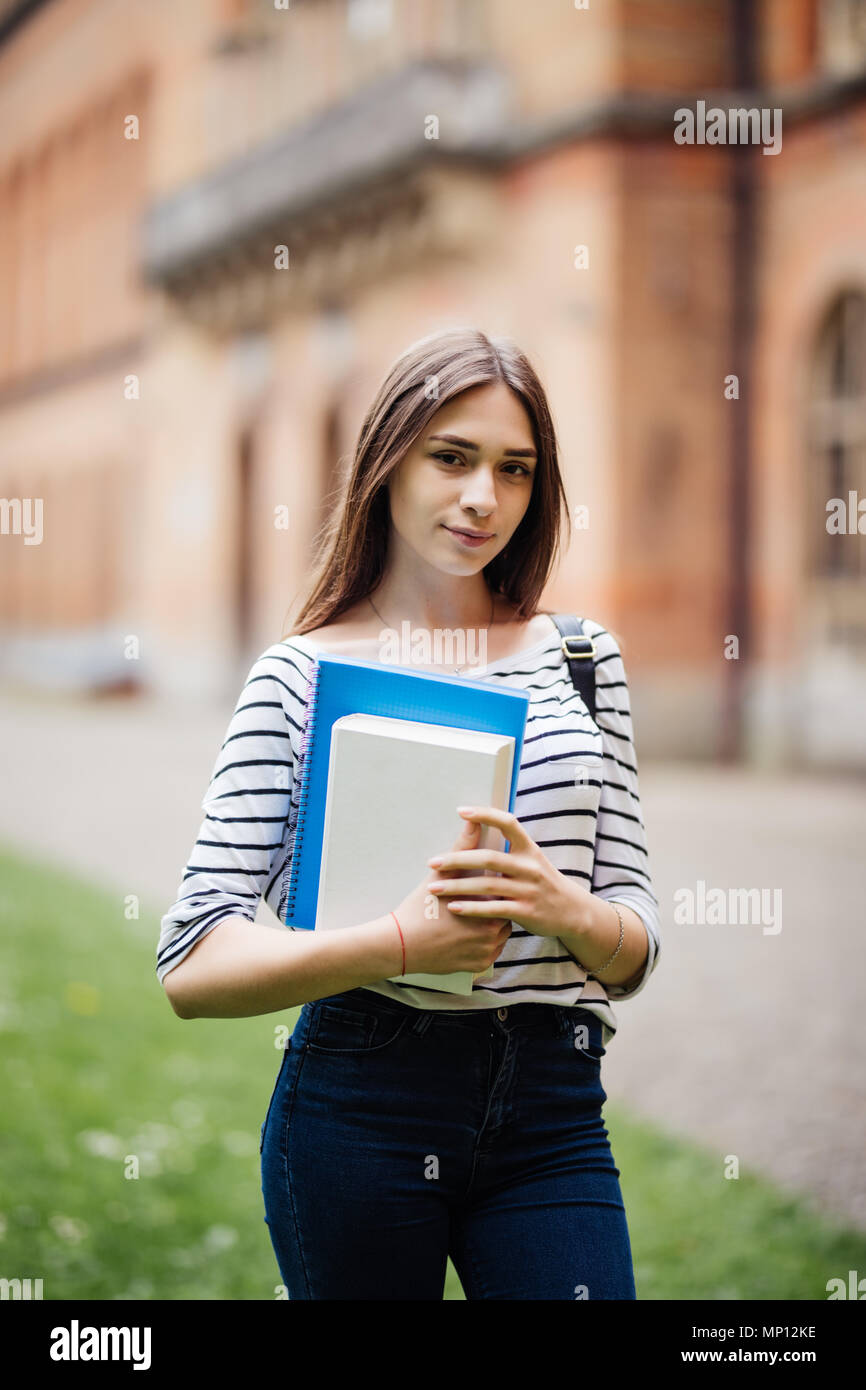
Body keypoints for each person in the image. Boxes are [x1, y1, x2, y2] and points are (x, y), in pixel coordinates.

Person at [156, 326, 661, 1300]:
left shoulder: (582, 662)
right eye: (451, 457)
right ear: (386, 460)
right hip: (361, 1104)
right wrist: (398, 942)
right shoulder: (299, 677)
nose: (483, 497)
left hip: (553, 1109)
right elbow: (193, 960)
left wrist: (565, 910)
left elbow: (632, 947)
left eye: (514, 470)